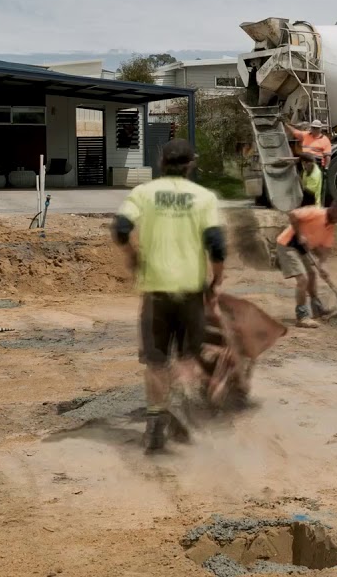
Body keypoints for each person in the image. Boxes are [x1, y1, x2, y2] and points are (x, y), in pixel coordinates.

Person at [111, 139, 226, 453]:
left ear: (161, 162)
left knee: (155, 362)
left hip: (155, 292)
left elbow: (120, 228)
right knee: (188, 359)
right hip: (190, 291)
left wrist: (133, 255)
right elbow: (216, 245)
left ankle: (155, 424)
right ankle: (179, 409)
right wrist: (217, 281)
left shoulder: (143, 193)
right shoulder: (204, 198)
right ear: (191, 165)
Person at [275, 203, 337, 328]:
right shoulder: (317, 212)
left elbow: (324, 249)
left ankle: (317, 308)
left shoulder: (330, 227)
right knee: (303, 279)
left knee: (312, 275)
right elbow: (293, 214)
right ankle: (302, 317)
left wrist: (322, 264)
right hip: (288, 245)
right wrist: (300, 234)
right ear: (336, 210)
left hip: (303, 249)